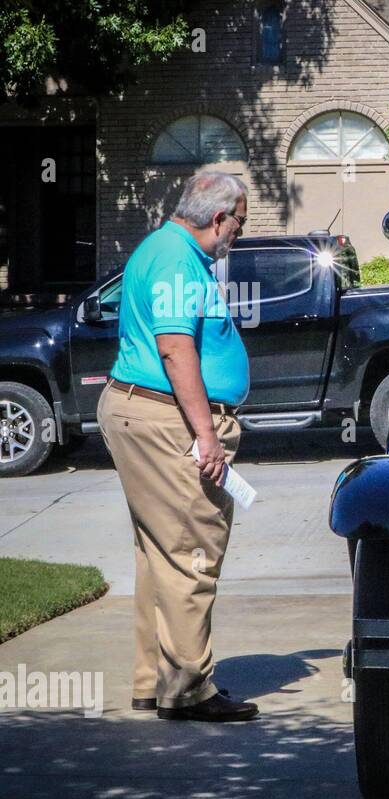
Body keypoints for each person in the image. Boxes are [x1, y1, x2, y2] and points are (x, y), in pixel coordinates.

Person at [97, 171, 257, 721]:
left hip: (148, 414)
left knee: (159, 555)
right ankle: (188, 690)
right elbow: (174, 350)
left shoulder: (162, 249)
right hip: (169, 423)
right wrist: (206, 436)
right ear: (219, 219)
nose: (240, 231)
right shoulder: (177, 258)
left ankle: (154, 683)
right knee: (192, 553)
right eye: (240, 221)